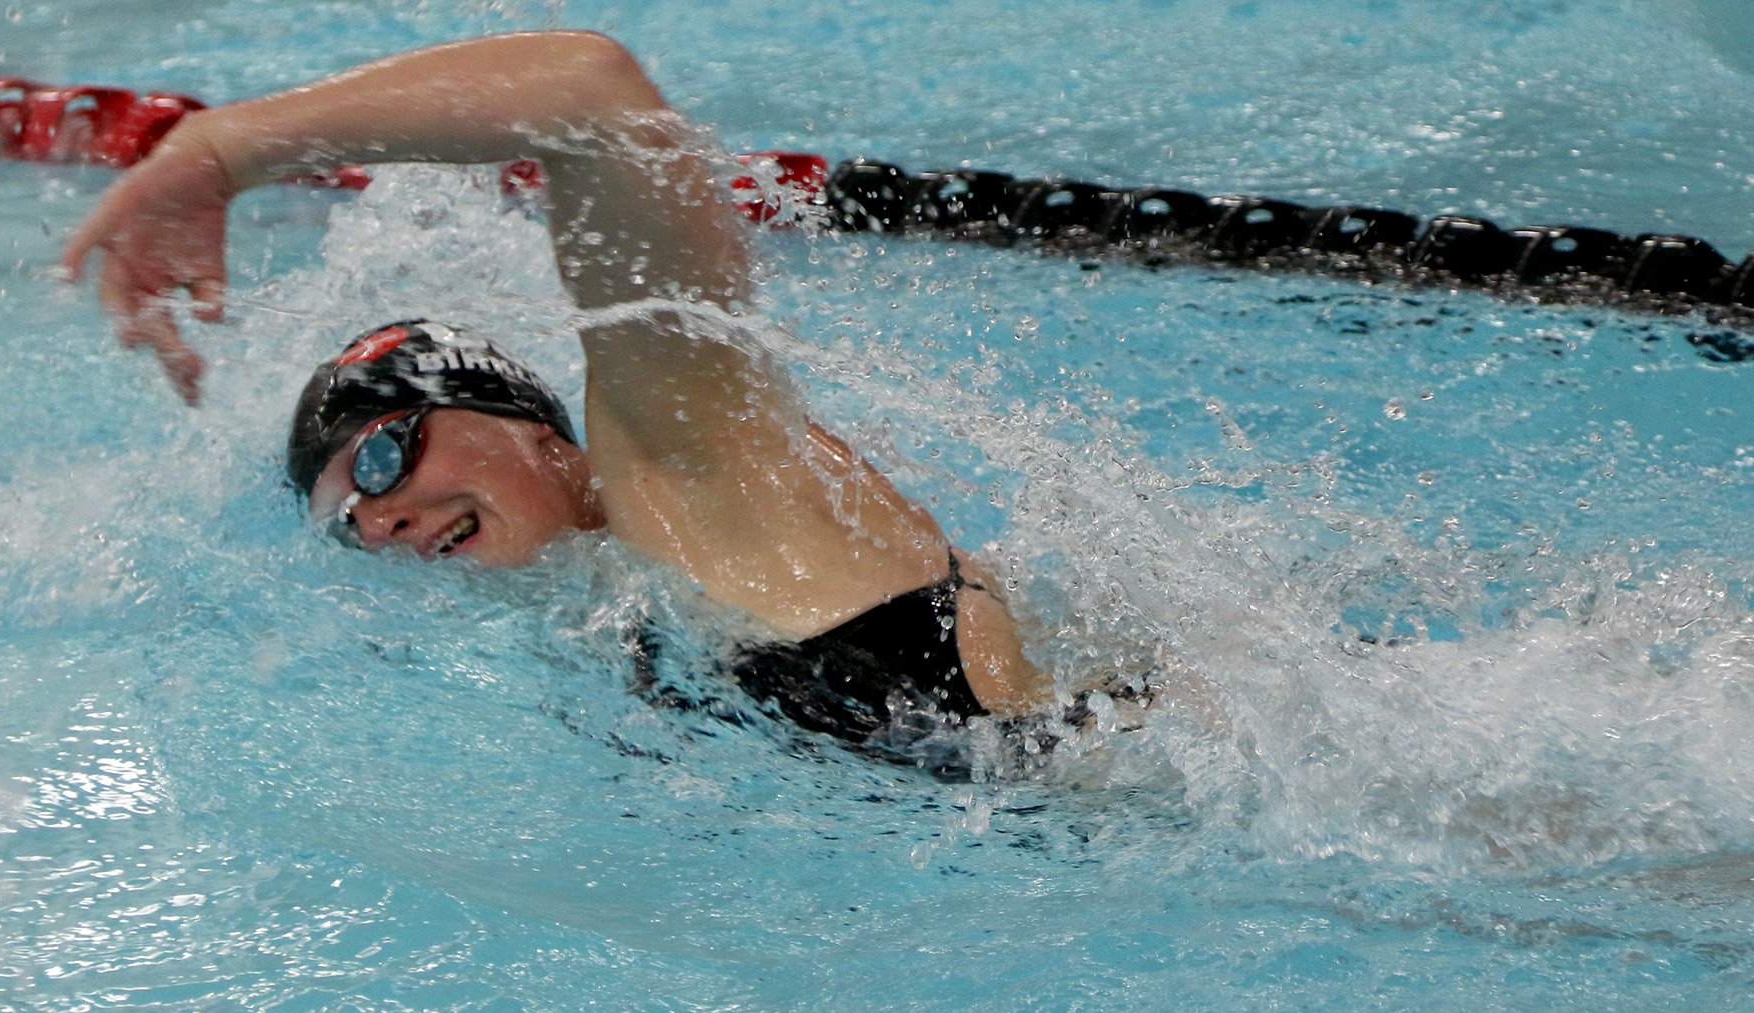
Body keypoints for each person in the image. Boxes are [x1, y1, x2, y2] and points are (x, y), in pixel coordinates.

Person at [63, 31, 1144, 754]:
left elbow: (590, 94)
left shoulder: (695, 474)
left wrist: (215, 151)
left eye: (388, 453)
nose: (381, 516)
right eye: (352, 522)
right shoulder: (646, 597)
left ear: (533, 432)